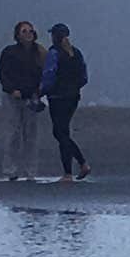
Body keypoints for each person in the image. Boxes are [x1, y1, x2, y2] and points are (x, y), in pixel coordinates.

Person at [0, 21, 44, 182]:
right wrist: (12, 89)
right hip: (12, 97)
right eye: (24, 31)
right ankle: (10, 170)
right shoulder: (9, 52)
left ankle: (31, 171)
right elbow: (3, 74)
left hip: (31, 97)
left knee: (31, 135)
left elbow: (44, 73)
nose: (28, 34)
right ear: (17, 34)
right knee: (13, 134)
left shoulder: (39, 52)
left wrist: (39, 92)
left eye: (30, 31)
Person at [44, 22, 90, 182]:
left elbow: (49, 75)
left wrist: (41, 92)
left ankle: (69, 172)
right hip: (73, 97)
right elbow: (84, 77)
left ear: (55, 37)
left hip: (57, 98)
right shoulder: (76, 53)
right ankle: (81, 164)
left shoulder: (54, 53)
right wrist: (75, 87)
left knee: (60, 133)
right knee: (62, 132)